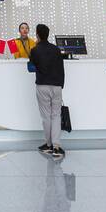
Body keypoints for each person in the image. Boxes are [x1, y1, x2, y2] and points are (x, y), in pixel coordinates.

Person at [28, 23, 66, 158]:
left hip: (42, 86)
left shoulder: (35, 50)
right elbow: (62, 68)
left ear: (37, 35)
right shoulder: (56, 49)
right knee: (56, 115)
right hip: (56, 86)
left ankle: (48, 144)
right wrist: (61, 84)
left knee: (46, 116)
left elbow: (31, 64)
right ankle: (56, 146)